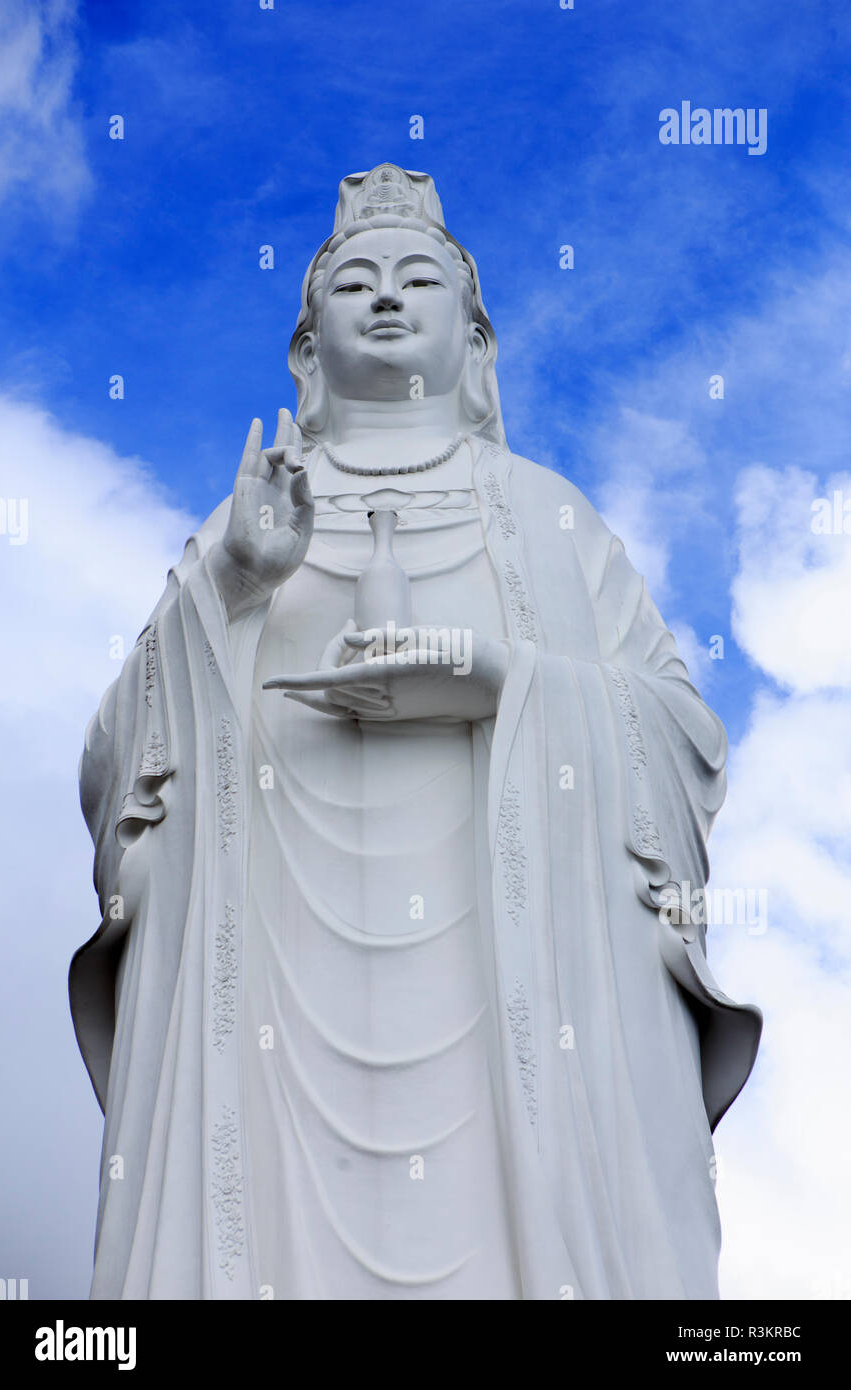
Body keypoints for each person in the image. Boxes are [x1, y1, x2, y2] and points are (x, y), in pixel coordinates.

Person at [71, 163, 761, 1300]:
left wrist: (506, 684)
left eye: (417, 280)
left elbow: (683, 739)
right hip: (275, 1001)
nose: (385, 298)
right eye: (353, 283)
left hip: (516, 984)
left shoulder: (548, 519)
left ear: (472, 340)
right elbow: (118, 771)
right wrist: (232, 587)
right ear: (307, 348)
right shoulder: (242, 519)